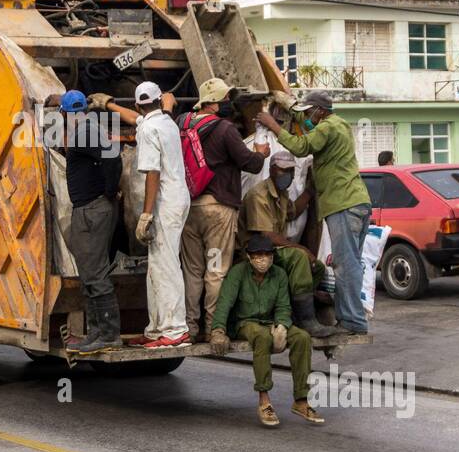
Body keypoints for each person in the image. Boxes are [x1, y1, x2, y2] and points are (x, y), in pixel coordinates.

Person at [256, 89, 371, 335]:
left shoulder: (328, 127)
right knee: (351, 263)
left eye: (309, 113)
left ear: (320, 112)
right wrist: (289, 105)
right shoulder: (335, 125)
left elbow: (301, 146)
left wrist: (273, 126)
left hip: (343, 203)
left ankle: (352, 321)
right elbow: (307, 127)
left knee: (345, 264)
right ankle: (352, 318)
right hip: (355, 202)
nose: (307, 118)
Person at [92, 82, 191, 348]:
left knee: (167, 265)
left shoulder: (149, 129)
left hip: (165, 204)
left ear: (138, 104)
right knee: (157, 267)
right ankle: (156, 329)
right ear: (160, 103)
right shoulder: (167, 122)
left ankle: (176, 329)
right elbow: (138, 119)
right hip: (177, 198)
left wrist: (145, 214)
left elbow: (152, 174)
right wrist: (109, 103)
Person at [175, 78, 265, 341]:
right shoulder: (225, 129)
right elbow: (250, 164)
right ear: (212, 104)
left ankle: (189, 327)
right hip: (217, 211)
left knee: (192, 270)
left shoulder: (182, 124)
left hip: (189, 209)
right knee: (215, 270)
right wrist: (260, 152)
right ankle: (214, 328)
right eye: (224, 99)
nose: (228, 104)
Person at [210, 233, 323, 427]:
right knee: (262, 337)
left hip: (271, 321)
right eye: (257, 254)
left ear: (272, 255)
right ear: (249, 256)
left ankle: (301, 400)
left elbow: (283, 306)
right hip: (246, 322)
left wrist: (281, 326)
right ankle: (264, 400)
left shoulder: (278, 274)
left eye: (266, 254)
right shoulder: (238, 273)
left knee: (302, 337)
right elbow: (224, 303)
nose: (262, 259)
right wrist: (218, 330)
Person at [53, 90, 123, 355]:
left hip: (93, 210)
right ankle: (96, 331)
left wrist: (108, 189)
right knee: (89, 273)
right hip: (89, 209)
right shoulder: (85, 129)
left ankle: (108, 333)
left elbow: (113, 158)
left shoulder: (86, 131)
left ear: (65, 113)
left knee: (95, 273)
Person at [240, 150, 337, 338]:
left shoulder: (281, 194)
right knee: (300, 257)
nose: (288, 175)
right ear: (272, 170)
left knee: (317, 267)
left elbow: (293, 212)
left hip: (273, 249)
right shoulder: (258, 195)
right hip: (257, 250)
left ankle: (297, 308)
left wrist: (309, 191)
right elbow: (266, 236)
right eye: (283, 171)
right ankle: (307, 320)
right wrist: (301, 248)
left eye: (291, 171)